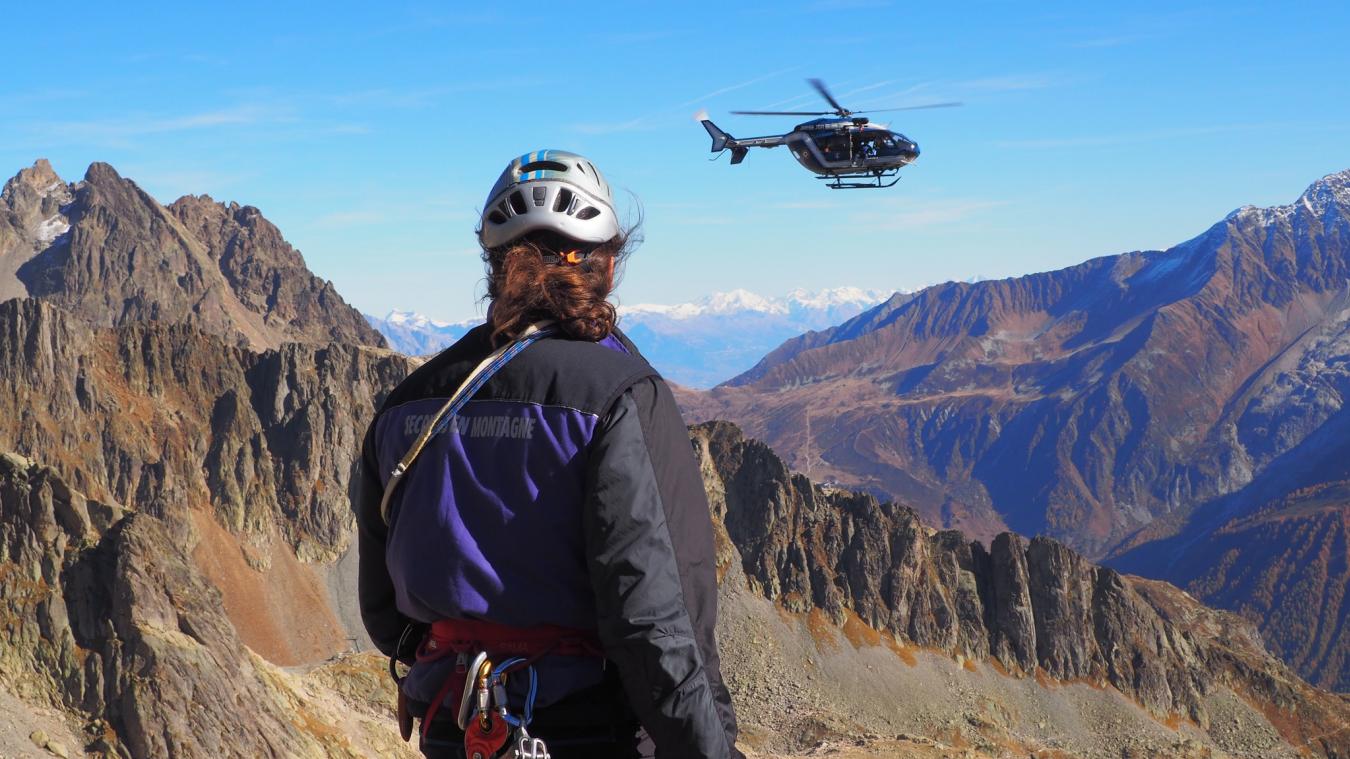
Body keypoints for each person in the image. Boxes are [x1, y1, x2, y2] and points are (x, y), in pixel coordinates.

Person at [355, 149, 742, 759]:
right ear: (608, 265)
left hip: (454, 729)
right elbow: (657, 621)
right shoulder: (620, 396)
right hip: (584, 729)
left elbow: (385, 615)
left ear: (493, 264)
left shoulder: (404, 406)